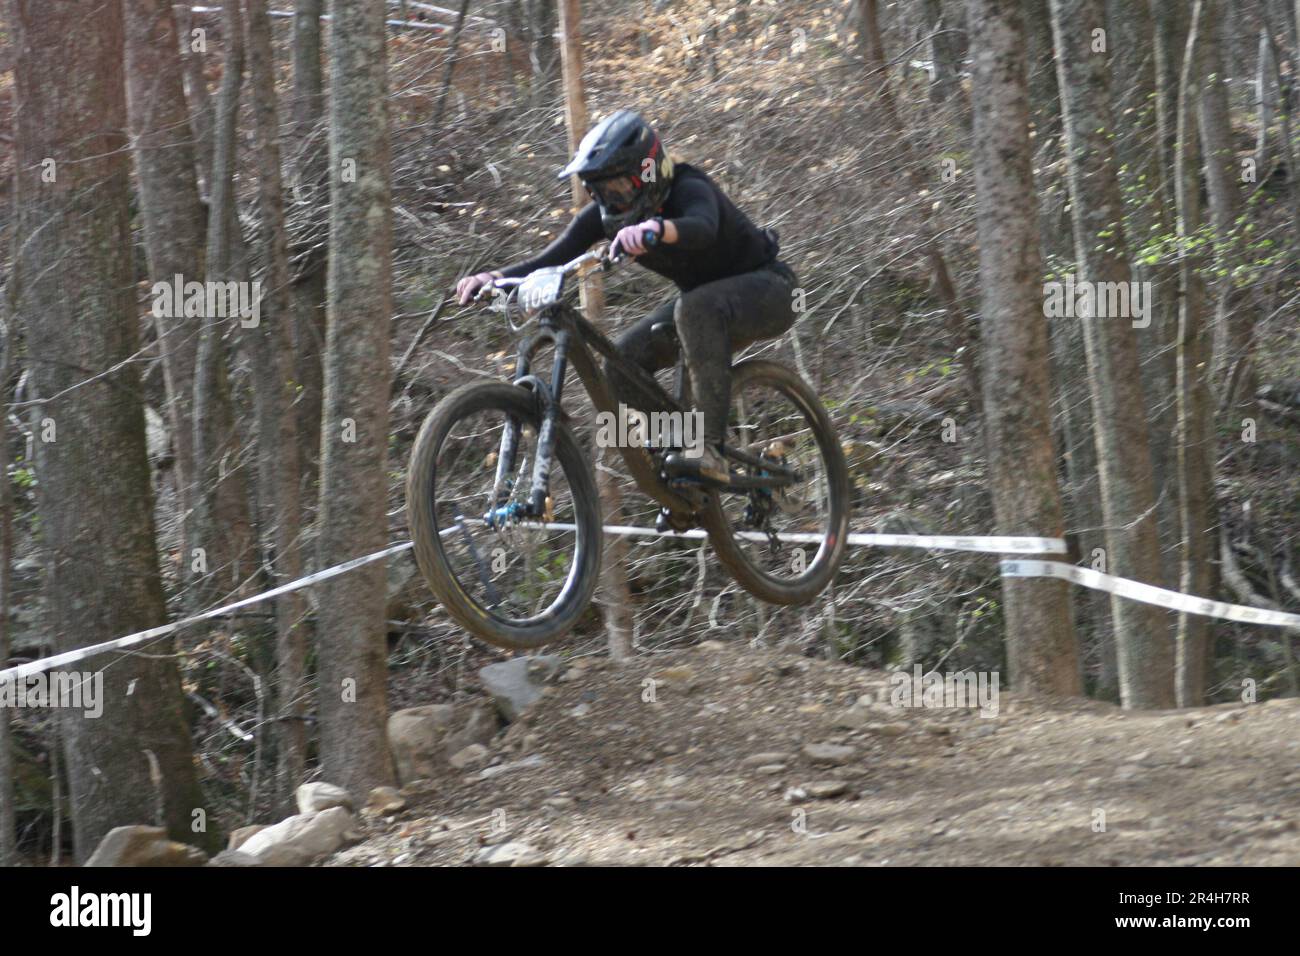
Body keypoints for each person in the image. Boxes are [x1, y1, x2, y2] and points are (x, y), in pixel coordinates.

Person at [456, 109, 798, 486]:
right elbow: (553, 258)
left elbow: (702, 227)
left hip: (772, 290)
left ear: (647, 172)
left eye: (618, 188)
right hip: (705, 307)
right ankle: (679, 447)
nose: (612, 201)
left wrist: (657, 230)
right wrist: (495, 278)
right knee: (621, 367)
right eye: (600, 191)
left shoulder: (688, 187)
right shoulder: (605, 218)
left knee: (695, 308)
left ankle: (708, 449)